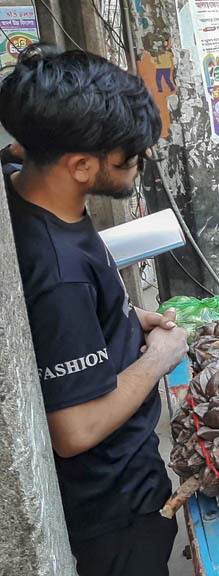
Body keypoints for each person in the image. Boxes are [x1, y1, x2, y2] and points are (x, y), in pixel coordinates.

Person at [0, 50, 189, 575]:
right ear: (80, 165)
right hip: (114, 509)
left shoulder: (22, 178)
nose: (139, 165)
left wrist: (124, 321)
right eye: (130, 158)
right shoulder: (57, 273)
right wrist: (158, 357)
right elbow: (75, 429)